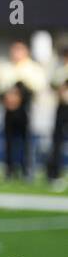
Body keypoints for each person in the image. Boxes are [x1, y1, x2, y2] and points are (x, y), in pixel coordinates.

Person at [0, 41, 46, 181]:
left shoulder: (33, 68)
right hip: (9, 109)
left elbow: (38, 86)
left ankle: (27, 170)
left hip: (26, 109)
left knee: (27, 142)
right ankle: (9, 171)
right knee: (8, 141)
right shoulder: (6, 67)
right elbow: (0, 88)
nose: (16, 53)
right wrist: (9, 97)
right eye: (14, 50)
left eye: (20, 50)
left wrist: (20, 94)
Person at [48, 44, 68, 190]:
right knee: (57, 141)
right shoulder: (59, 70)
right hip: (62, 107)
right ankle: (54, 174)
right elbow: (54, 85)